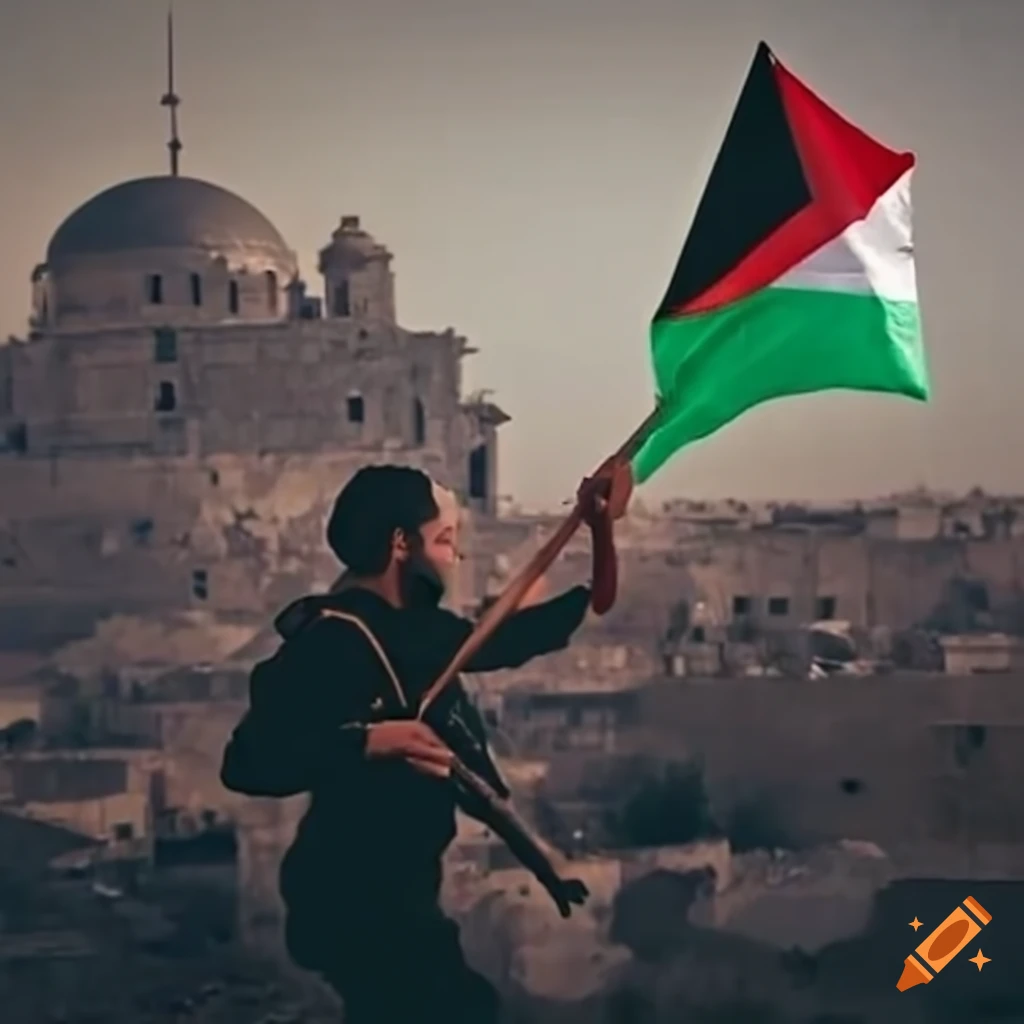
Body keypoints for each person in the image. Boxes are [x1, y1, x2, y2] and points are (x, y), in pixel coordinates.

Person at [220, 464, 621, 1024]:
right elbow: (247, 763)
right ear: (400, 544)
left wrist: (596, 527)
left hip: (400, 891)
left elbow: (466, 761)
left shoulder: (422, 636)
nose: (453, 558)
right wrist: (366, 741)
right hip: (353, 896)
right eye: (444, 541)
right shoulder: (332, 640)